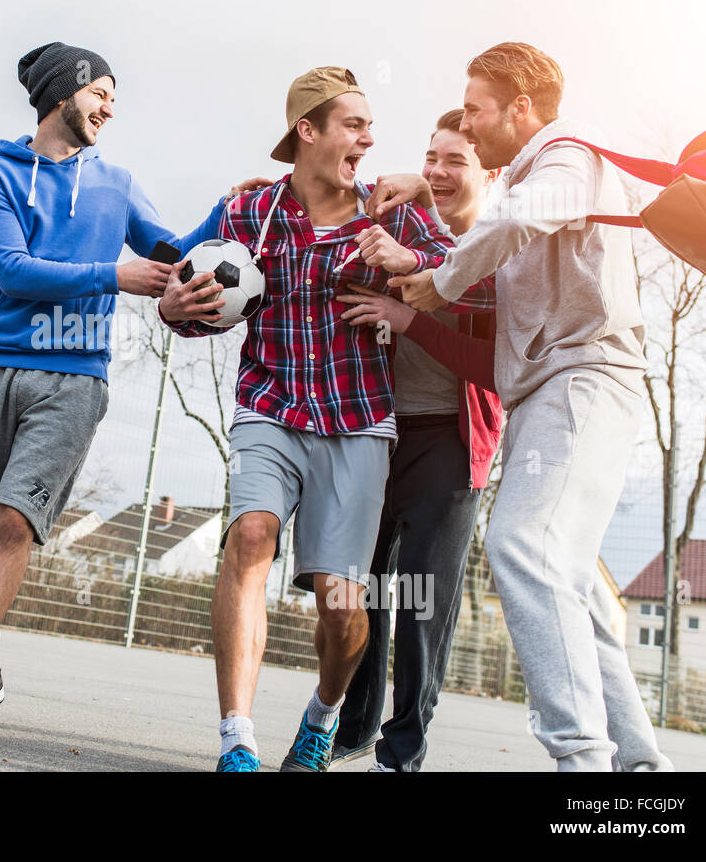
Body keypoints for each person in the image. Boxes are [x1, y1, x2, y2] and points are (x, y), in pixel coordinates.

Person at [158, 68, 494, 772]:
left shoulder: (391, 210)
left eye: (371, 126)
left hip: (359, 421)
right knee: (249, 537)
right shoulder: (251, 215)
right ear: (307, 132)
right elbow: (188, 294)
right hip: (269, 407)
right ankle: (236, 741)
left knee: (344, 609)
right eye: (353, 125)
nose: (369, 138)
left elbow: (460, 275)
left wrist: (405, 262)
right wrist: (172, 310)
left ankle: (326, 716)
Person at [0, 42, 222, 745]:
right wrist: (114, 274)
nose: (108, 108)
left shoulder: (119, 183)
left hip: (75, 378)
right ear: (60, 95)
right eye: (100, 92)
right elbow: (13, 271)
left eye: (113, 99)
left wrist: (234, 208)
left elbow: (172, 253)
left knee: (16, 523)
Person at [370, 42, 673, 771]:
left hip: (585, 381)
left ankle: (584, 766)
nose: (468, 125)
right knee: (569, 584)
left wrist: (437, 281)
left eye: (475, 109)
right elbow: (494, 238)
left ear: (521, 108)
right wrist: (426, 204)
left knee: (524, 547)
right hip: (552, 393)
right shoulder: (531, 176)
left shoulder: (568, 158)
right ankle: (640, 769)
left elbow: (511, 224)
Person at [330, 109, 504, 771]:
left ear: (490, 171)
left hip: (450, 440)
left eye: (454, 161)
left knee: (420, 599)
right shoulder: (399, 214)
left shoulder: (500, 246)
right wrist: (269, 193)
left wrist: (409, 313)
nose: (436, 171)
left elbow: (488, 364)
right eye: (431, 158)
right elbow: (338, 197)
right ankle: (355, 726)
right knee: (361, 587)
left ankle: (401, 751)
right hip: (374, 428)